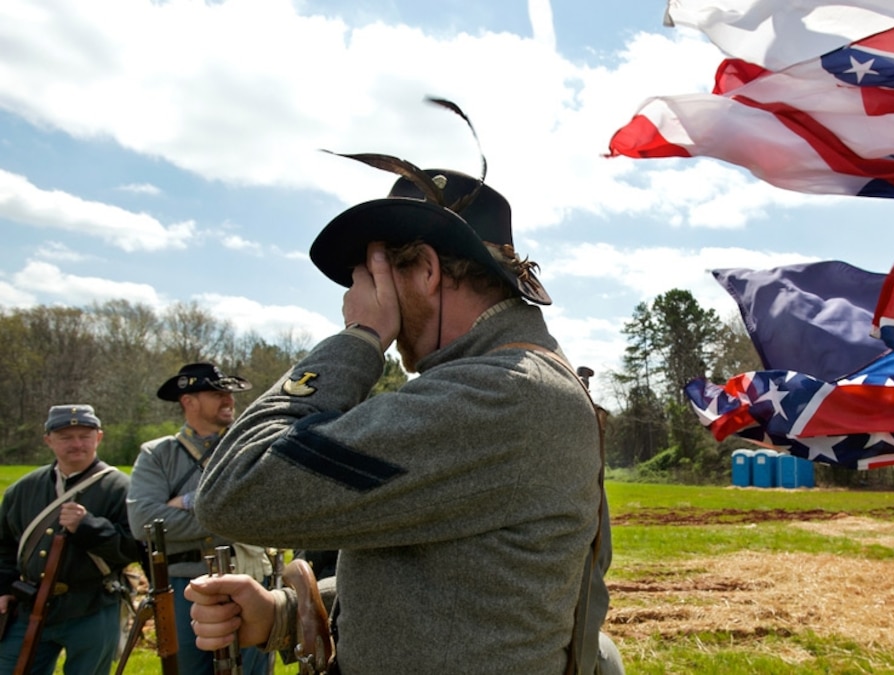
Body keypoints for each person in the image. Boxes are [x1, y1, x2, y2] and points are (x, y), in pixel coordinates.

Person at [186, 157, 621, 674]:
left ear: (427, 272)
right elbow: (458, 580)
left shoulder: (499, 395)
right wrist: (286, 611)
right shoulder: (514, 386)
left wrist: (357, 339)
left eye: (372, 277)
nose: (357, 300)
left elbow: (237, 487)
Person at [127, 363, 273, 675]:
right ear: (188, 401)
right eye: (215, 393)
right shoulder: (157, 454)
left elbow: (264, 509)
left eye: (228, 393)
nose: (228, 400)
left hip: (247, 575)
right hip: (181, 583)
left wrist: (186, 505)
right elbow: (144, 522)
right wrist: (229, 520)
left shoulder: (250, 448)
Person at [0, 404, 141, 675]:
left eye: (84, 436)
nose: (77, 444)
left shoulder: (122, 489)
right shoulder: (23, 489)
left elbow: (135, 548)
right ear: (48, 440)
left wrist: (88, 527)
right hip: (30, 604)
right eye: (66, 437)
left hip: (93, 605)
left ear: (98, 437)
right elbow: (4, 544)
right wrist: (3, 586)